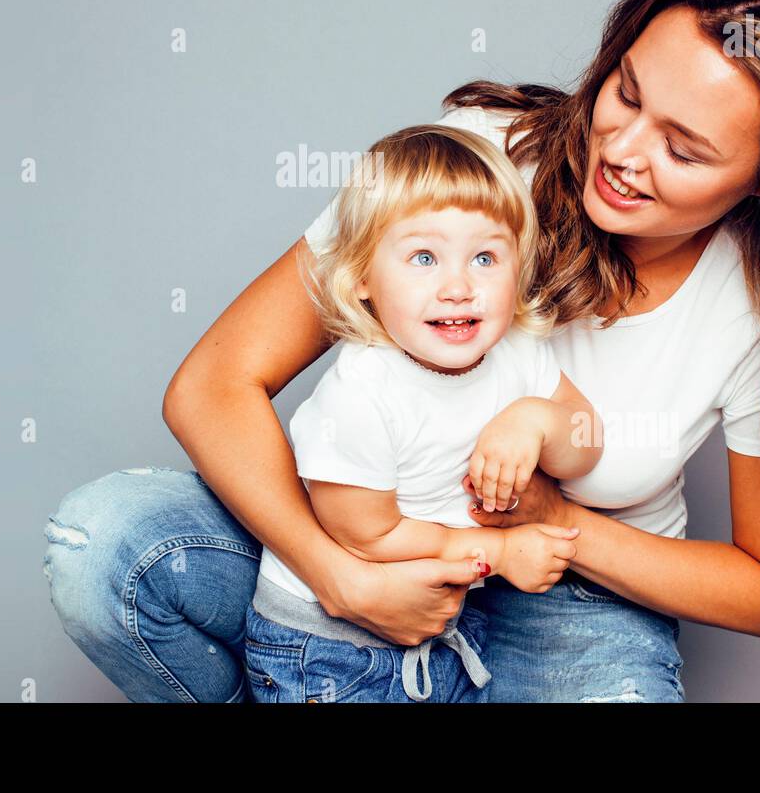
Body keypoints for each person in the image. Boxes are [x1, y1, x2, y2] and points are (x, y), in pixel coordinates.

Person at [43, 0, 760, 702]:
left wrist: (545, 524)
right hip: (371, 550)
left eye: (683, 148)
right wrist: (341, 578)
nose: (620, 151)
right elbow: (214, 384)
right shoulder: (484, 159)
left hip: (572, 606)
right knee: (103, 543)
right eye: (624, 93)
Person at [245, 124, 600, 702]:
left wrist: (536, 420)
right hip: (328, 651)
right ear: (362, 276)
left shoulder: (516, 355)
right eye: (424, 257)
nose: (458, 286)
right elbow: (369, 539)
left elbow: (586, 444)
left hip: (442, 619)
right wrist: (501, 554)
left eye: (485, 256)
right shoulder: (362, 394)